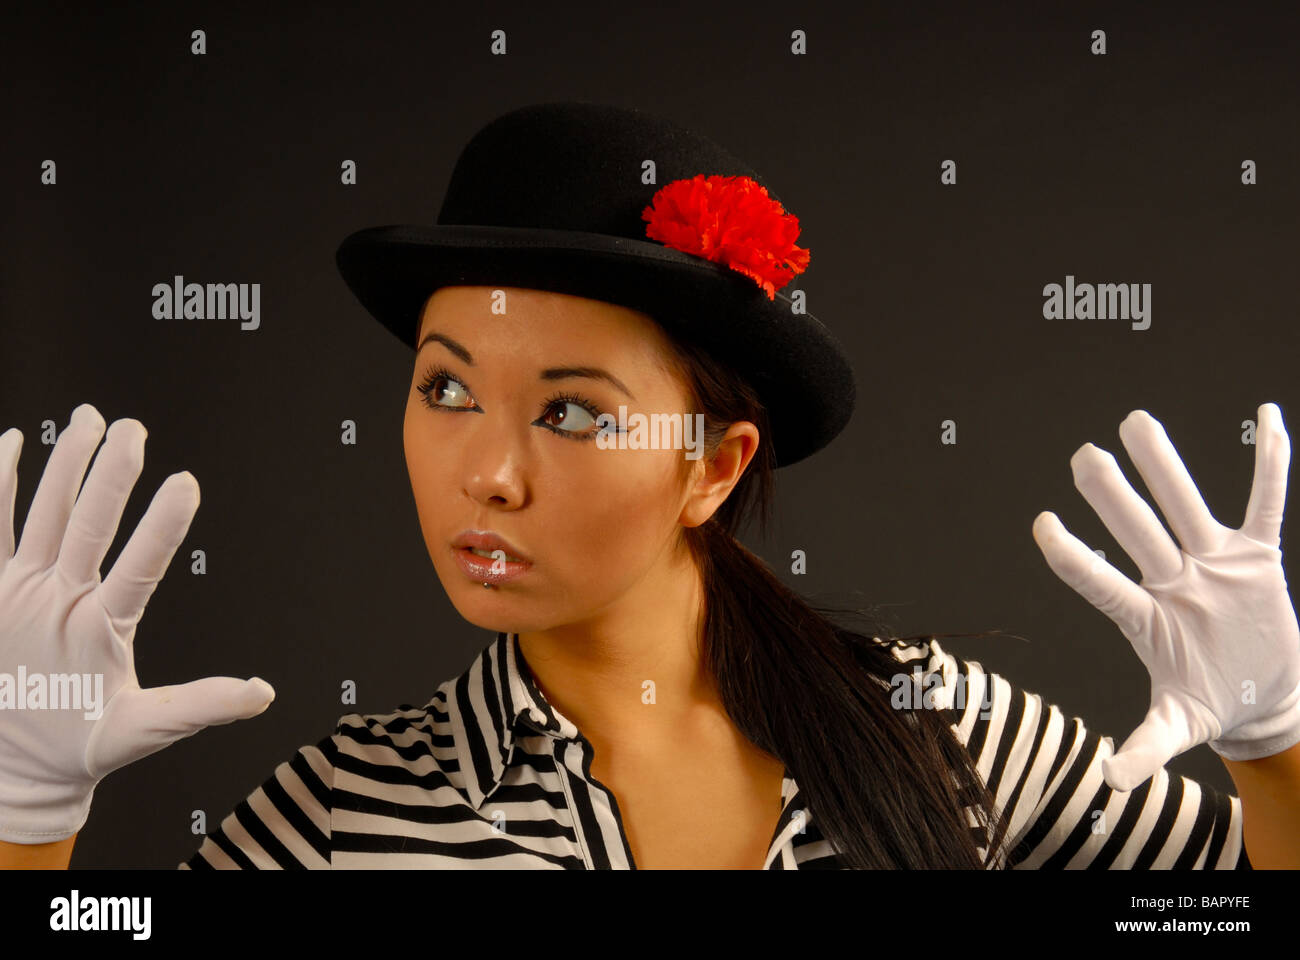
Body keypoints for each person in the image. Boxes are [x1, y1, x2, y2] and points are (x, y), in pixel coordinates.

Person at [2, 102, 1297, 870]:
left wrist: (1276, 749)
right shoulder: (344, 813)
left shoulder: (933, 719)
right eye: (447, 388)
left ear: (712, 466)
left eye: (572, 411)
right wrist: (31, 818)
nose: (487, 474)